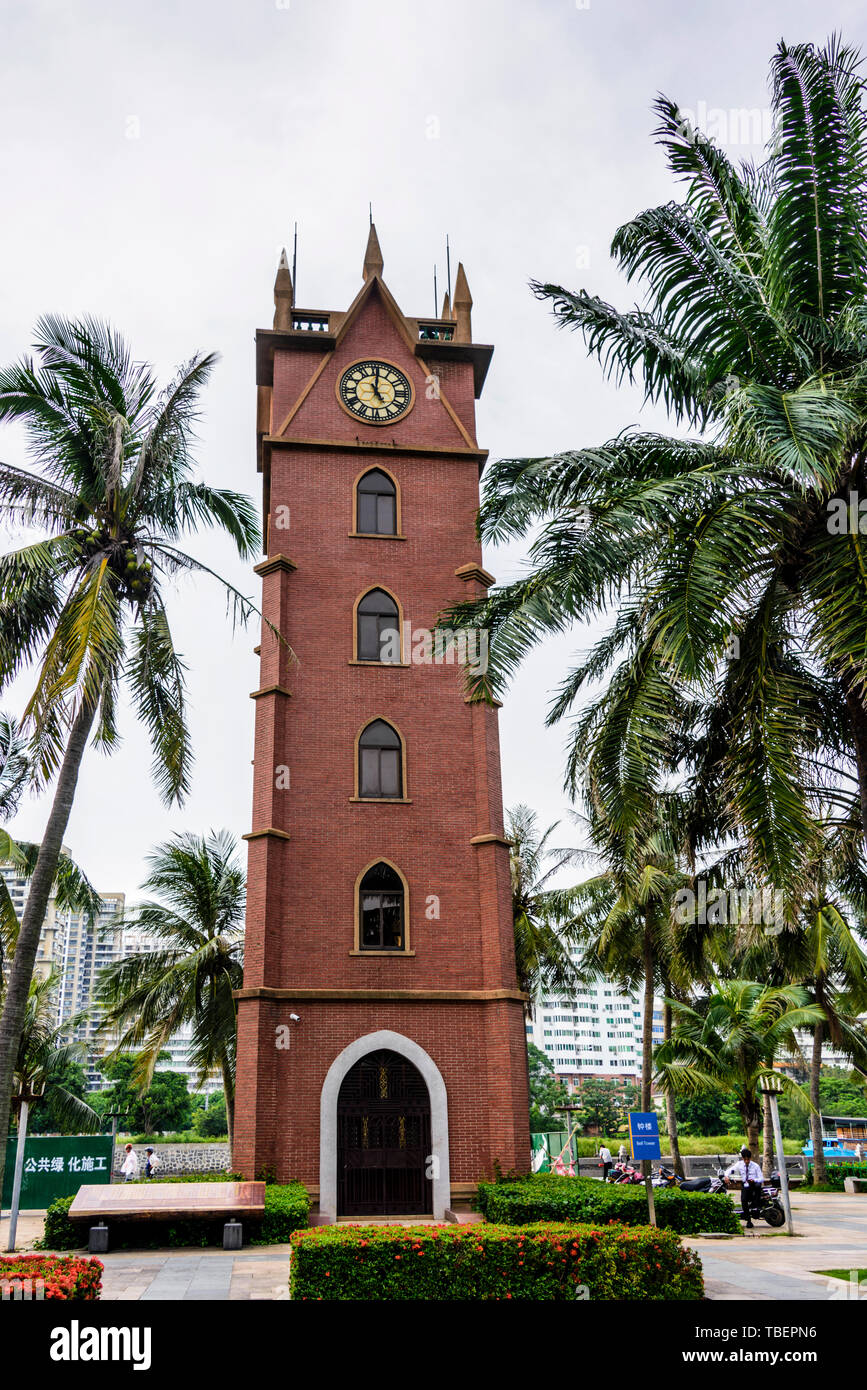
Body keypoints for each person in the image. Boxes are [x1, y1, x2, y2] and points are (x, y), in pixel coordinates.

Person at [724, 1146, 764, 1229]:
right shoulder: (739, 1164)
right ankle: (748, 1220)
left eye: (748, 1159)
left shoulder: (755, 1166)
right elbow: (730, 1170)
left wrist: (754, 1180)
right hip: (745, 1185)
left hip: (753, 1186)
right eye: (745, 1159)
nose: (746, 1161)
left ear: (750, 1158)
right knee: (743, 1201)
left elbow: (761, 1178)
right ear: (742, 1158)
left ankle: (756, 1206)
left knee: (756, 1187)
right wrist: (726, 1176)